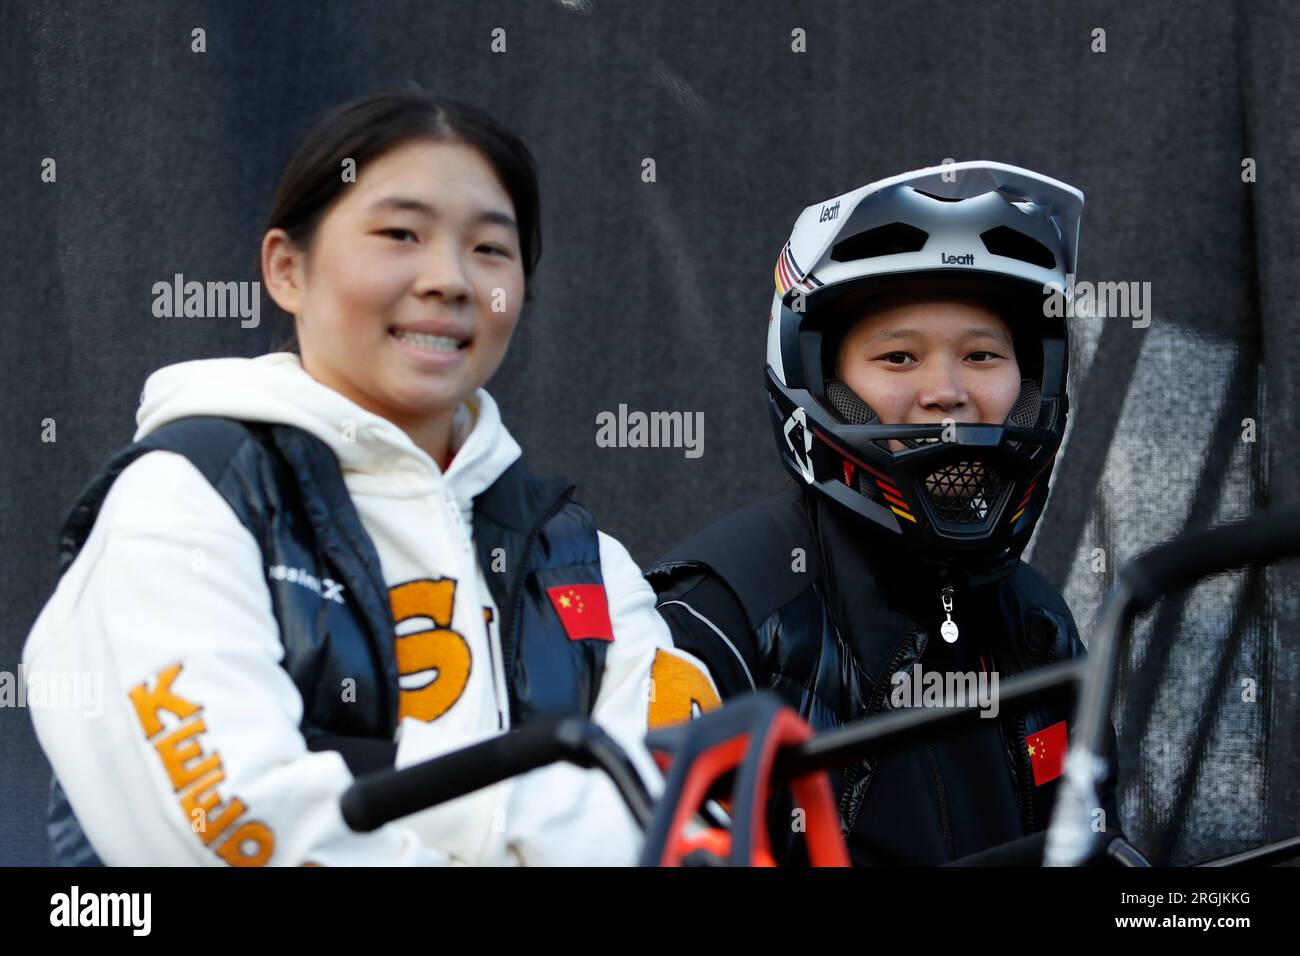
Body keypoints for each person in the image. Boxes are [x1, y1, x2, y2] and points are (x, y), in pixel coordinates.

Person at [23, 90, 718, 866]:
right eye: (399, 234)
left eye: (490, 248)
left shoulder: (581, 557)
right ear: (287, 269)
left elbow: (679, 813)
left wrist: (405, 793)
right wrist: (532, 809)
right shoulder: (183, 503)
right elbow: (236, 820)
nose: (449, 279)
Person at [647, 161, 1124, 865]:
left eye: (984, 354)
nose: (948, 392)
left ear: (1031, 380)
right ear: (822, 382)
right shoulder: (720, 615)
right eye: (899, 357)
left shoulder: (1040, 625)